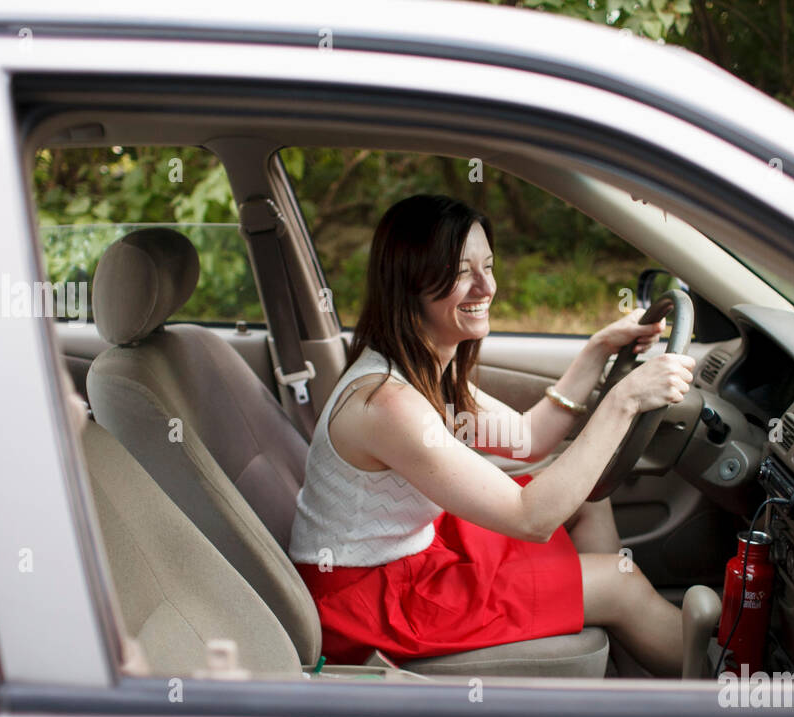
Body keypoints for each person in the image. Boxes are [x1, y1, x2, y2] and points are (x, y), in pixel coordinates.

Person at [288, 194, 696, 674]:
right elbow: (530, 519)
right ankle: (741, 691)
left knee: (590, 500)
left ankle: (604, 630)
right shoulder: (388, 403)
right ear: (411, 280)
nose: (486, 286)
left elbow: (527, 437)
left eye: (489, 266)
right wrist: (624, 400)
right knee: (621, 582)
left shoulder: (418, 369)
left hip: (411, 552)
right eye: (463, 272)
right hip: (370, 597)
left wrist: (597, 350)